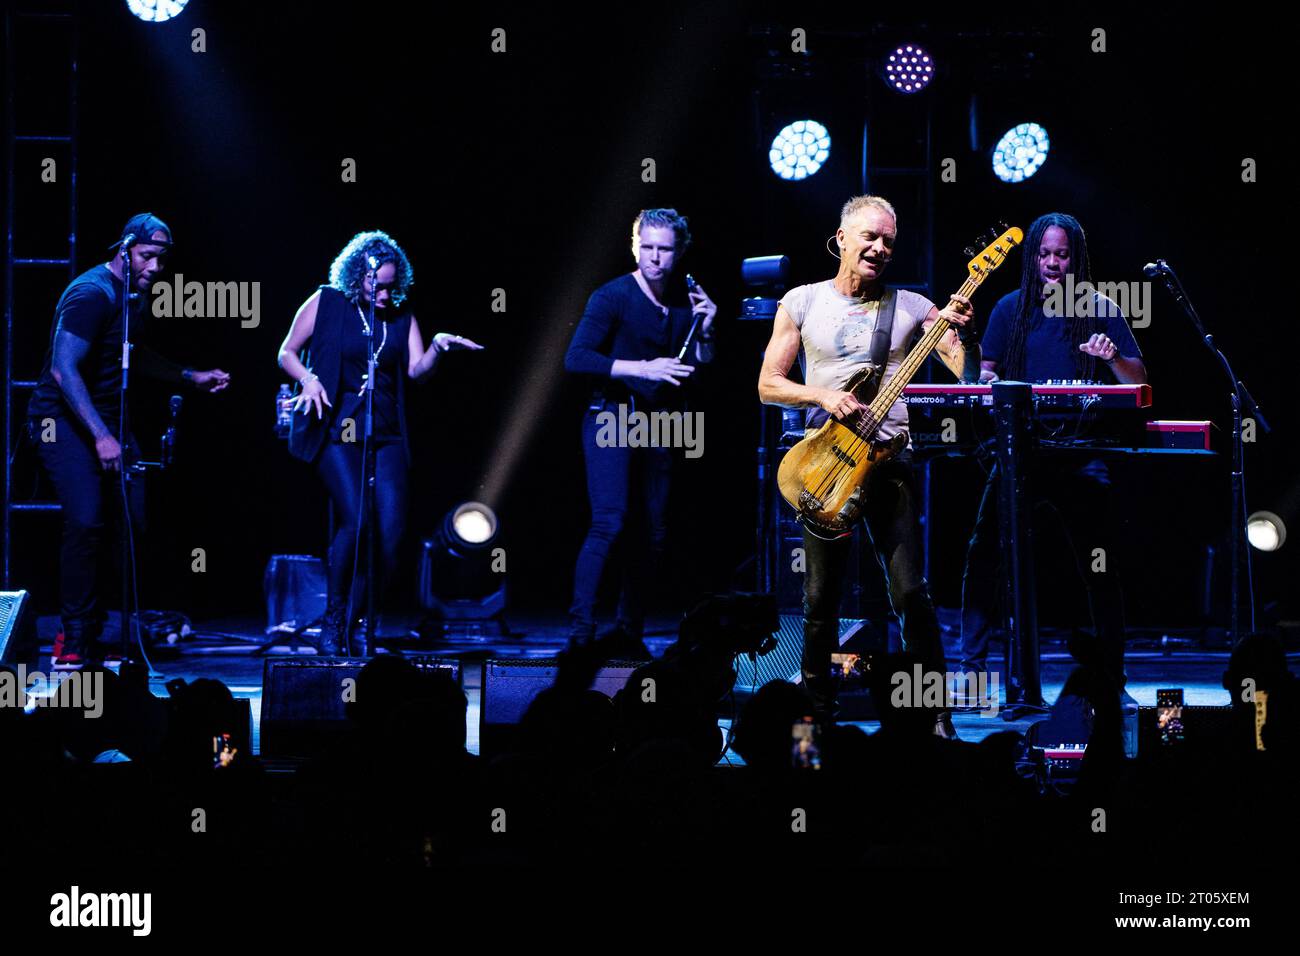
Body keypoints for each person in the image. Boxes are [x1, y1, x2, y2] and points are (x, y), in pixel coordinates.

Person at [757, 195, 978, 734]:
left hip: (890, 464)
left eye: (888, 242)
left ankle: (932, 713)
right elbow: (768, 385)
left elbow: (967, 378)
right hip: (827, 466)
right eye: (870, 237)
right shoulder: (802, 301)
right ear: (841, 238)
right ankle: (817, 719)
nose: (879, 248)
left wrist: (961, 331)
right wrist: (823, 397)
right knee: (819, 601)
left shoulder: (914, 307)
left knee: (910, 594)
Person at [26, 213, 231, 667]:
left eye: (161, 260)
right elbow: (63, 369)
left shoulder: (132, 297)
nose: (156, 268)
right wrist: (100, 436)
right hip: (60, 420)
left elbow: (131, 355)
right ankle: (73, 636)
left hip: (109, 421)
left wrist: (189, 376)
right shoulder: (90, 294)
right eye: (149, 257)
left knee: (130, 524)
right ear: (125, 249)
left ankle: (110, 629)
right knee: (86, 520)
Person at [960, 212, 1147, 695]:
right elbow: (985, 374)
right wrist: (986, 382)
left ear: (1076, 258)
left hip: (1082, 454)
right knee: (985, 554)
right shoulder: (1009, 309)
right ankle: (973, 669)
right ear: (1032, 259)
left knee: (1100, 565)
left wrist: (1111, 359)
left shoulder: (1101, 308)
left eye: (1061, 254)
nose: (1052, 263)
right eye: (1044, 253)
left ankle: (1112, 676)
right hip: (1022, 452)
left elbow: (1139, 383)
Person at [278, 230, 482, 655]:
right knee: (356, 521)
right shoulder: (327, 302)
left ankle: (360, 622)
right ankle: (333, 623)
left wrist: (439, 348)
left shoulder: (402, 318)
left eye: (392, 285)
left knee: (390, 535)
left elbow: (416, 372)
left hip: (385, 432)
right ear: (359, 276)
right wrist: (310, 379)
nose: (386, 293)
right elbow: (286, 352)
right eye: (378, 285)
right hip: (337, 429)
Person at [563, 208, 717, 653]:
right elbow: (576, 358)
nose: (654, 258)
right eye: (646, 247)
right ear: (635, 246)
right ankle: (580, 632)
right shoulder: (611, 296)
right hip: (611, 415)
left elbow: (701, 368)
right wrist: (642, 369)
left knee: (652, 533)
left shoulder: (687, 300)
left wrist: (706, 329)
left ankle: (629, 631)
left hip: (661, 422)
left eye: (664, 249)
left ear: (679, 251)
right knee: (609, 522)